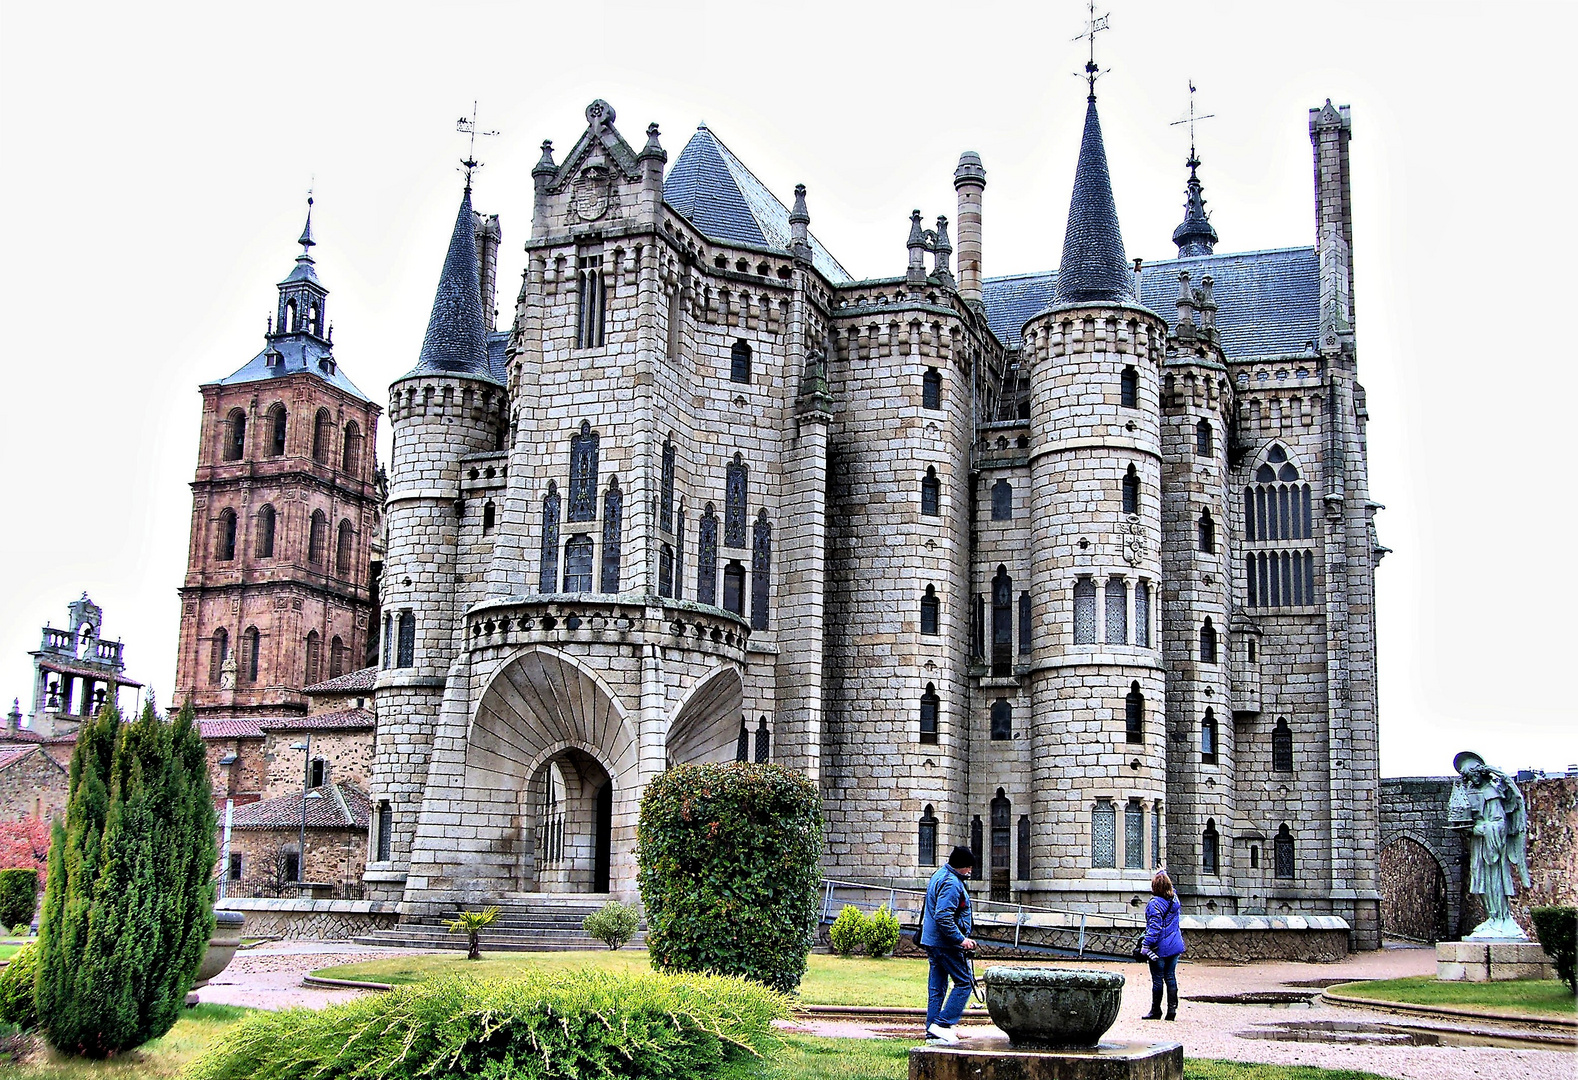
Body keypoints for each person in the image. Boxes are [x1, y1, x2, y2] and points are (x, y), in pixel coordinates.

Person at [920, 845, 977, 1044]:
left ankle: (932, 1032)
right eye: (968, 867)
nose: (970, 871)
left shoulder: (939, 874)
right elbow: (943, 916)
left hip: (932, 941)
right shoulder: (952, 883)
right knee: (964, 982)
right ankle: (942, 1024)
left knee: (937, 988)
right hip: (946, 944)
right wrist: (961, 939)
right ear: (960, 865)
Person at [1139, 869, 1185, 1021]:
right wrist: (1163, 872)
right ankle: (1172, 1011)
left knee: (1158, 979)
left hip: (1158, 948)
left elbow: (1154, 928)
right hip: (1174, 945)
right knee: (1170, 977)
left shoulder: (1154, 904)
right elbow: (1172, 889)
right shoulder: (1175, 900)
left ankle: (1155, 1011)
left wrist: (1145, 946)